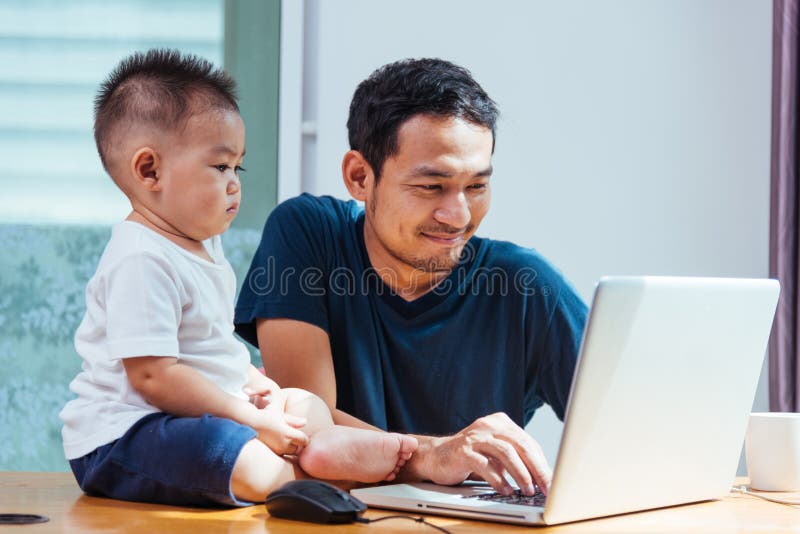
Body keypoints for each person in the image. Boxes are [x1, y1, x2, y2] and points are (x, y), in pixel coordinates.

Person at [59, 49, 417, 508]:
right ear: (150, 170)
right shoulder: (140, 258)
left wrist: (253, 383)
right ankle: (314, 474)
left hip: (195, 413)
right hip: (128, 434)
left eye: (238, 168)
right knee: (224, 450)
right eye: (220, 166)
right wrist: (247, 415)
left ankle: (319, 456)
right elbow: (154, 376)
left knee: (305, 404)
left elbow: (207, 346)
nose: (235, 184)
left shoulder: (201, 246)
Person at [234, 58, 588, 497]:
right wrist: (435, 455)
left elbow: (638, 428)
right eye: (431, 186)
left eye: (476, 186)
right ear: (360, 177)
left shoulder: (527, 286)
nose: (458, 216)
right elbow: (307, 432)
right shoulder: (308, 234)